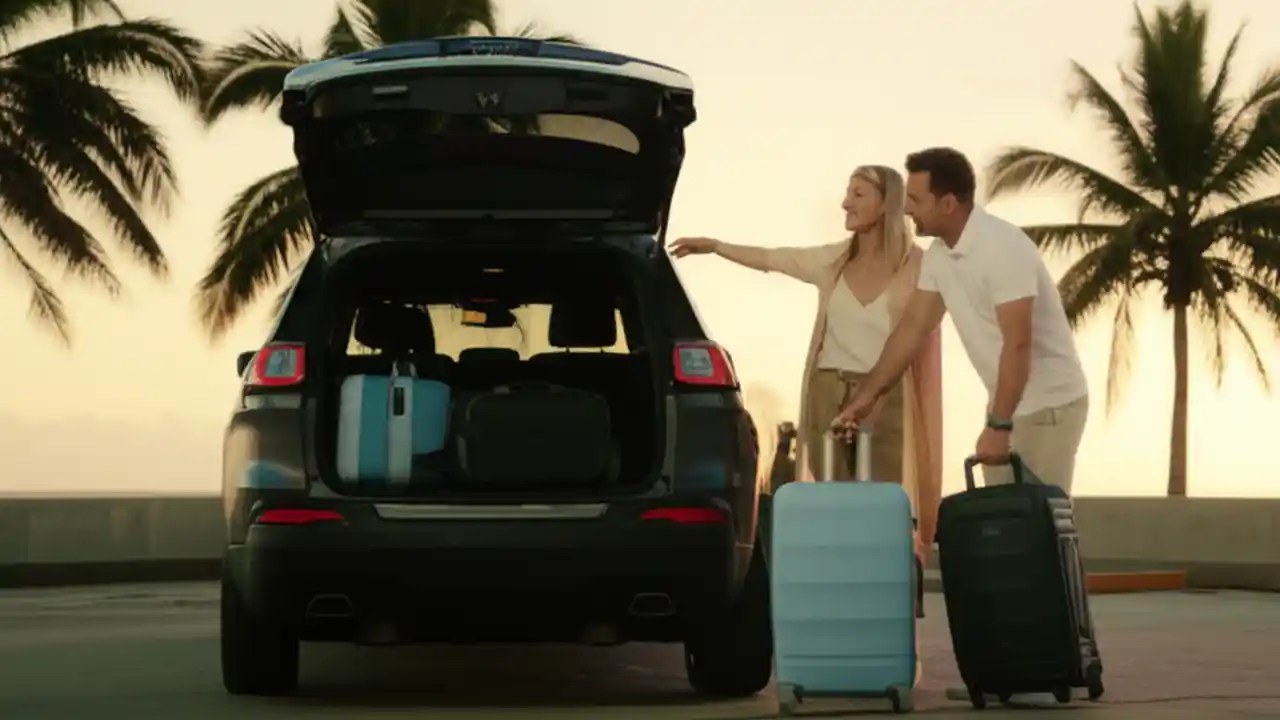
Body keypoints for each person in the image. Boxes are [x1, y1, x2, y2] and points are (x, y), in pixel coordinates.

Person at [668, 165, 943, 562]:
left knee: (884, 501)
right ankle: (835, 579)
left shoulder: (919, 266)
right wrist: (715, 246)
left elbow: (929, 323)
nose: (845, 203)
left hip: (887, 395)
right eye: (847, 192)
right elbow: (772, 258)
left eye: (858, 194)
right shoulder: (833, 260)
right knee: (833, 502)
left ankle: (885, 581)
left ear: (887, 203)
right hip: (827, 391)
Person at [833, 148, 1088, 496]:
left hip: (1049, 406)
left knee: (1042, 519)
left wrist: (999, 425)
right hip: (1007, 403)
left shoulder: (1002, 247)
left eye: (915, 200)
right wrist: (867, 397)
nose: (906, 209)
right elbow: (912, 328)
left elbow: (1018, 343)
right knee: (1004, 520)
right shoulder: (940, 256)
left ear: (948, 204)